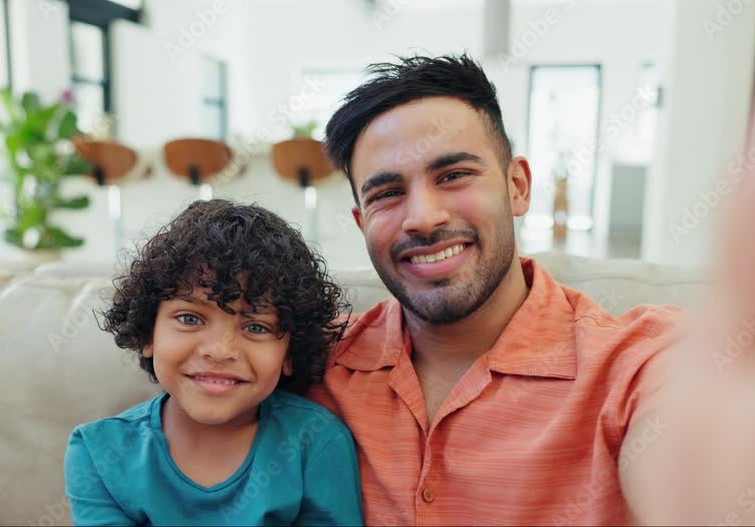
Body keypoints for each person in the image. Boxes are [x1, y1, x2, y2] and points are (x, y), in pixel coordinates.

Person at [306, 54, 681, 525]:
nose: (423, 217)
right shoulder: (312, 358)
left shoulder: (637, 363)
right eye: (387, 194)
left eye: (454, 176)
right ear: (362, 223)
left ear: (518, 186)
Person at [64, 200, 363, 525]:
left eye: (255, 326)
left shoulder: (316, 442)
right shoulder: (98, 453)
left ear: (290, 354)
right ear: (148, 333)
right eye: (190, 318)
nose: (220, 350)